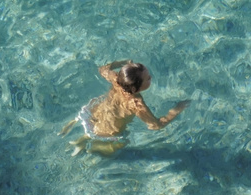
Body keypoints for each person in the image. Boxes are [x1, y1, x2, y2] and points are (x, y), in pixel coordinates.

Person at [60, 60, 188, 155]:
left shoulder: (116, 79)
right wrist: (177, 109)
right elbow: (155, 126)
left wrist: (123, 63)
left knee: (91, 132)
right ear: (134, 88)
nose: (151, 78)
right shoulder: (136, 103)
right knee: (119, 146)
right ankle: (89, 150)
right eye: (148, 78)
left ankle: (81, 140)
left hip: (95, 114)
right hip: (110, 131)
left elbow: (103, 69)